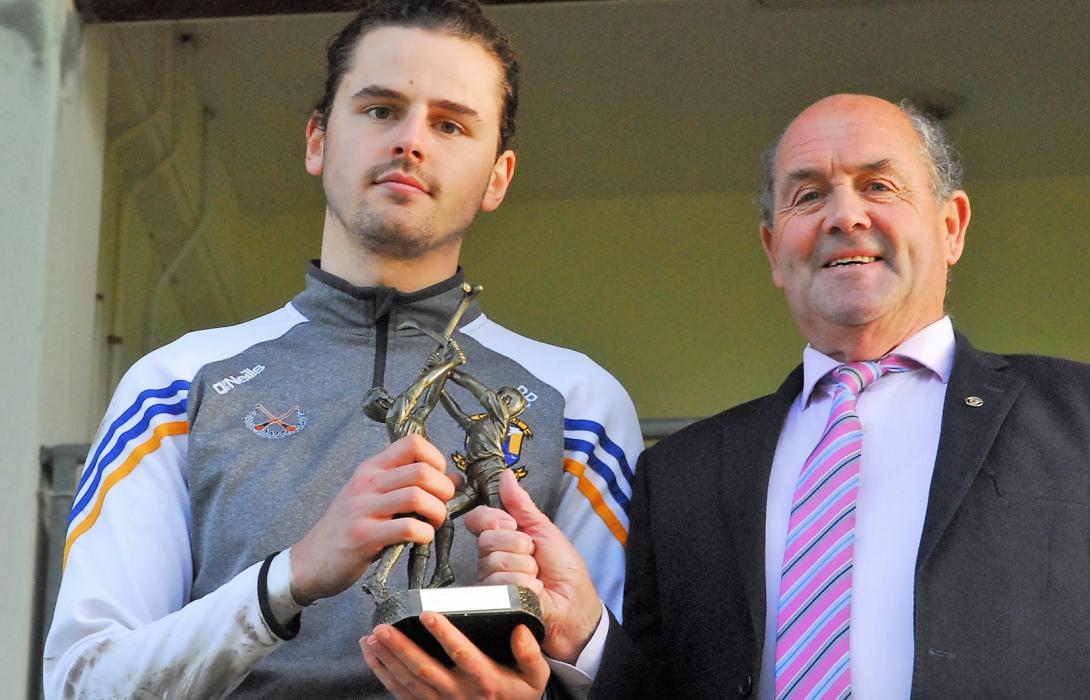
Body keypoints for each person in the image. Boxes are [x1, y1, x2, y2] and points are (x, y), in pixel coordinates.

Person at [444, 94, 1090, 698]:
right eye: (809, 196)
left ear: (951, 224)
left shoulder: (1086, 423)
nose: (846, 215)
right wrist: (588, 638)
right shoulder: (685, 474)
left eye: (880, 185)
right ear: (775, 249)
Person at [41, 1, 642, 697]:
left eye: (450, 124)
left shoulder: (583, 406)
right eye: (381, 109)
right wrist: (289, 576)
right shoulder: (174, 385)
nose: (411, 141)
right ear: (318, 140)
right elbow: (81, 681)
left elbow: (629, 677)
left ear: (498, 177)